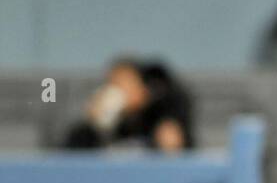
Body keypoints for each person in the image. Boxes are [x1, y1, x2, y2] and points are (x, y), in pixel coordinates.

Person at [65, 58, 194, 152]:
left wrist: (168, 139)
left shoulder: (160, 116)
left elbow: (174, 153)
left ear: (142, 89)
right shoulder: (101, 125)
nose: (116, 91)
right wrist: (94, 126)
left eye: (124, 84)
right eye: (112, 84)